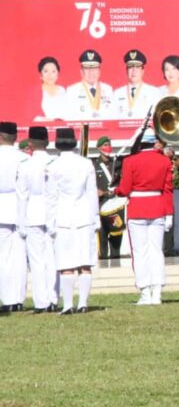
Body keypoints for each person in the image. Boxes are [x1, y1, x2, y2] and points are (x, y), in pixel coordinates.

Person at [115, 129, 174, 305]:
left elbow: (125, 189)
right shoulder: (164, 161)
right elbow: (168, 189)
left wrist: (116, 190)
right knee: (156, 251)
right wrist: (169, 213)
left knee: (140, 252)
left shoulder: (130, 161)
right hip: (158, 207)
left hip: (137, 208)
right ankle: (157, 293)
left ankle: (145, 293)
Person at [46, 127, 99, 315]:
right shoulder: (86, 164)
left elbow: (51, 198)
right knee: (85, 263)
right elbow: (91, 193)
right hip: (84, 215)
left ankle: (68, 304)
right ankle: (83, 303)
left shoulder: (53, 166)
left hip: (63, 217)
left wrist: (50, 222)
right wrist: (96, 218)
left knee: (66, 264)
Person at [16, 126, 59, 313]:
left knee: (36, 260)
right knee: (53, 259)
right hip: (53, 214)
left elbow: (22, 196)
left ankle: (41, 302)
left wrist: (20, 221)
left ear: (30, 143)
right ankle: (53, 298)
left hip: (33, 213)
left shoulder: (26, 165)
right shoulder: (55, 162)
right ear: (47, 142)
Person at [0, 121, 26, 312]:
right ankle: (17, 299)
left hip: (3, 207)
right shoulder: (23, 158)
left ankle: (7, 298)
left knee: (4, 256)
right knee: (20, 257)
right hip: (20, 208)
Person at [92, 136, 124, 259]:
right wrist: (94, 191)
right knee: (102, 236)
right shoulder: (93, 164)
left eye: (109, 144)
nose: (108, 147)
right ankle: (103, 260)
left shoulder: (116, 163)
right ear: (98, 148)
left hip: (115, 204)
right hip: (101, 204)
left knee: (116, 236)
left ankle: (116, 259)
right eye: (105, 145)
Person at [65, 50, 114, 120]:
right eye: (87, 69)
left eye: (94, 68)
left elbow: (113, 117)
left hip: (105, 127)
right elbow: (69, 118)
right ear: (81, 72)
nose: (91, 72)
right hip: (82, 127)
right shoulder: (72, 91)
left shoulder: (108, 89)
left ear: (99, 71)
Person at [114, 49, 161, 119]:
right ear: (126, 70)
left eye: (137, 67)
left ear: (143, 71)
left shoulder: (154, 92)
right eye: (131, 67)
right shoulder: (117, 93)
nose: (134, 71)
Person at [35, 56, 66, 121]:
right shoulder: (37, 93)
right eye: (46, 71)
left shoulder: (62, 90)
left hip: (63, 125)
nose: (50, 75)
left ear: (57, 75)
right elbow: (33, 117)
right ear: (41, 75)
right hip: (44, 126)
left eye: (53, 71)